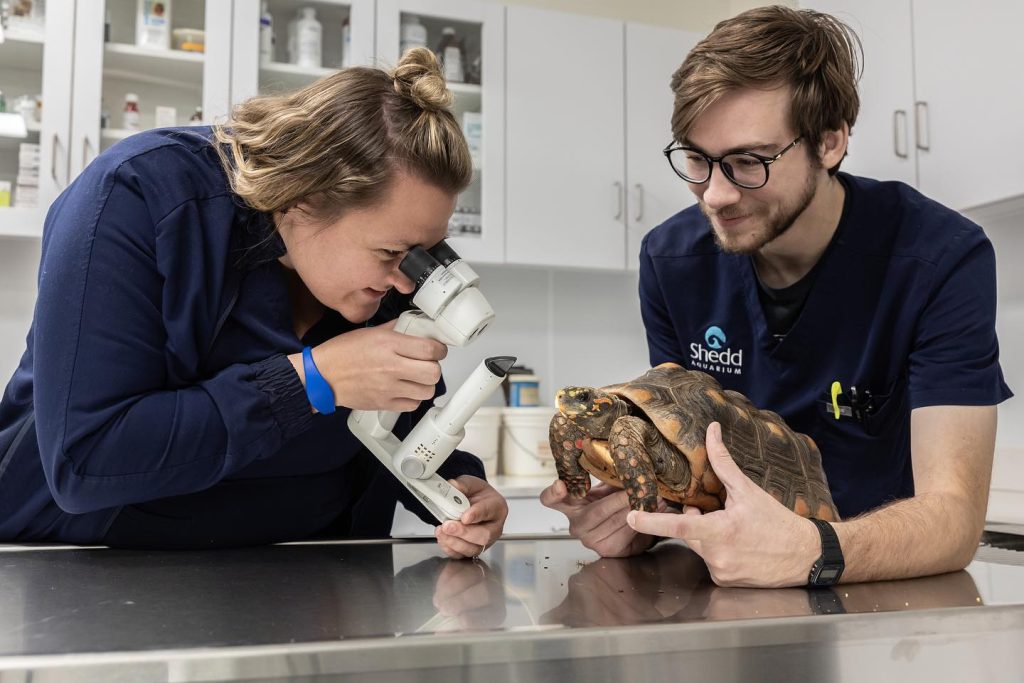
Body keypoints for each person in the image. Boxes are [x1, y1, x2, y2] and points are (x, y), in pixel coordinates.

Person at [541, 5, 1011, 586]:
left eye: (747, 162)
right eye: (695, 158)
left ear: (831, 141)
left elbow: (954, 519)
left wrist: (813, 550)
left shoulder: (940, 259)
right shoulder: (670, 263)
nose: (714, 195)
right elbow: (686, 461)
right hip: (726, 593)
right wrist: (637, 515)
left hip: (886, 606)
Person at [0, 48, 507, 556]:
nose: (407, 281)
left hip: (315, 576)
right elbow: (86, 460)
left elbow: (392, 430)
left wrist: (454, 485)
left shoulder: (387, 272)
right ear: (301, 199)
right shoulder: (140, 194)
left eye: (421, 255)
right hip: (93, 570)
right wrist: (311, 381)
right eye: (391, 253)